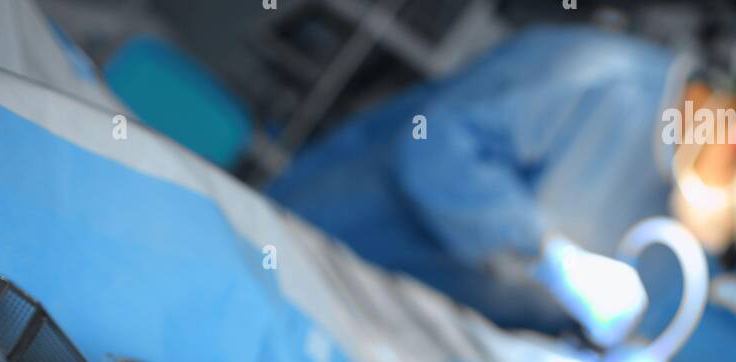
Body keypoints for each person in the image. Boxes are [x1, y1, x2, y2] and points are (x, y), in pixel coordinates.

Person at [268, 24, 676, 337]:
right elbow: (436, 146)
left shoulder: (691, 227)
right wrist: (546, 255)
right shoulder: (603, 80)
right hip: (343, 228)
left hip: (406, 328)